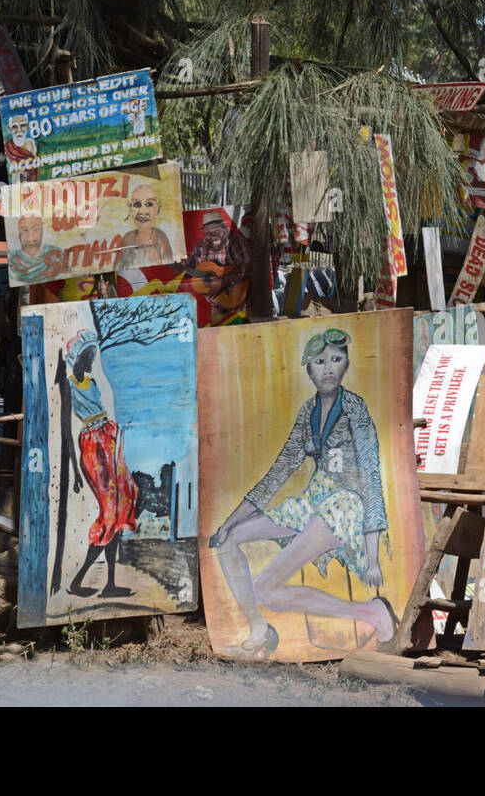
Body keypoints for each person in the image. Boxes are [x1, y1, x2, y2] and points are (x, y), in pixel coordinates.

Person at [208, 328, 397, 656]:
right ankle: (258, 627)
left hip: (344, 507)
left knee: (266, 588)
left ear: (346, 364)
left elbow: (370, 476)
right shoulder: (308, 412)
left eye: (336, 360)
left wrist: (372, 556)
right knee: (228, 541)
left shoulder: (355, 410)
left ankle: (372, 612)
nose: (328, 369)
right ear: (308, 369)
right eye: (319, 361)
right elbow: (279, 471)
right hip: (313, 502)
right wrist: (228, 521)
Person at [59, 331, 138, 598]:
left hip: (109, 439)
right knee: (109, 514)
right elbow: (66, 430)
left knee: (121, 507)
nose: (92, 361)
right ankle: (78, 580)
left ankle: (110, 583)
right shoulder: (68, 385)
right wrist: (74, 467)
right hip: (93, 446)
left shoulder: (92, 381)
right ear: (78, 359)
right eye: (88, 356)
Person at [184, 209, 251, 315]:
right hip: (215, 309)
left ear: (224, 228)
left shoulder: (235, 241)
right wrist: (178, 268)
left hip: (241, 307)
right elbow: (188, 267)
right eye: (209, 233)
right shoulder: (200, 247)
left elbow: (248, 266)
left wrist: (223, 282)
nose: (214, 236)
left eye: (217, 231)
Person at [119, 183, 173, 268]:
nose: (142, 211)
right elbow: (120, 267)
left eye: (149, 204)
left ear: (158, 208)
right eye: (136, 204)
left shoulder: (160, 237)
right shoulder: (128, 238)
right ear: (130, 209)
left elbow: (168, 266)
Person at [9, 215, 54, 283]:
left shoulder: (55, 255)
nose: (30, 236)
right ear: (19, 234)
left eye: (35, 229)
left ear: (42, 232)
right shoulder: (12, 259)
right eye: (24, 230)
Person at [3, 115, 39, 183]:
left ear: (27, 127)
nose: (19, 130)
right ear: (10, 129)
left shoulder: (31, 144)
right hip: (16, 182)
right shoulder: (8, 146)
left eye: (22, 126)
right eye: (14, 127)